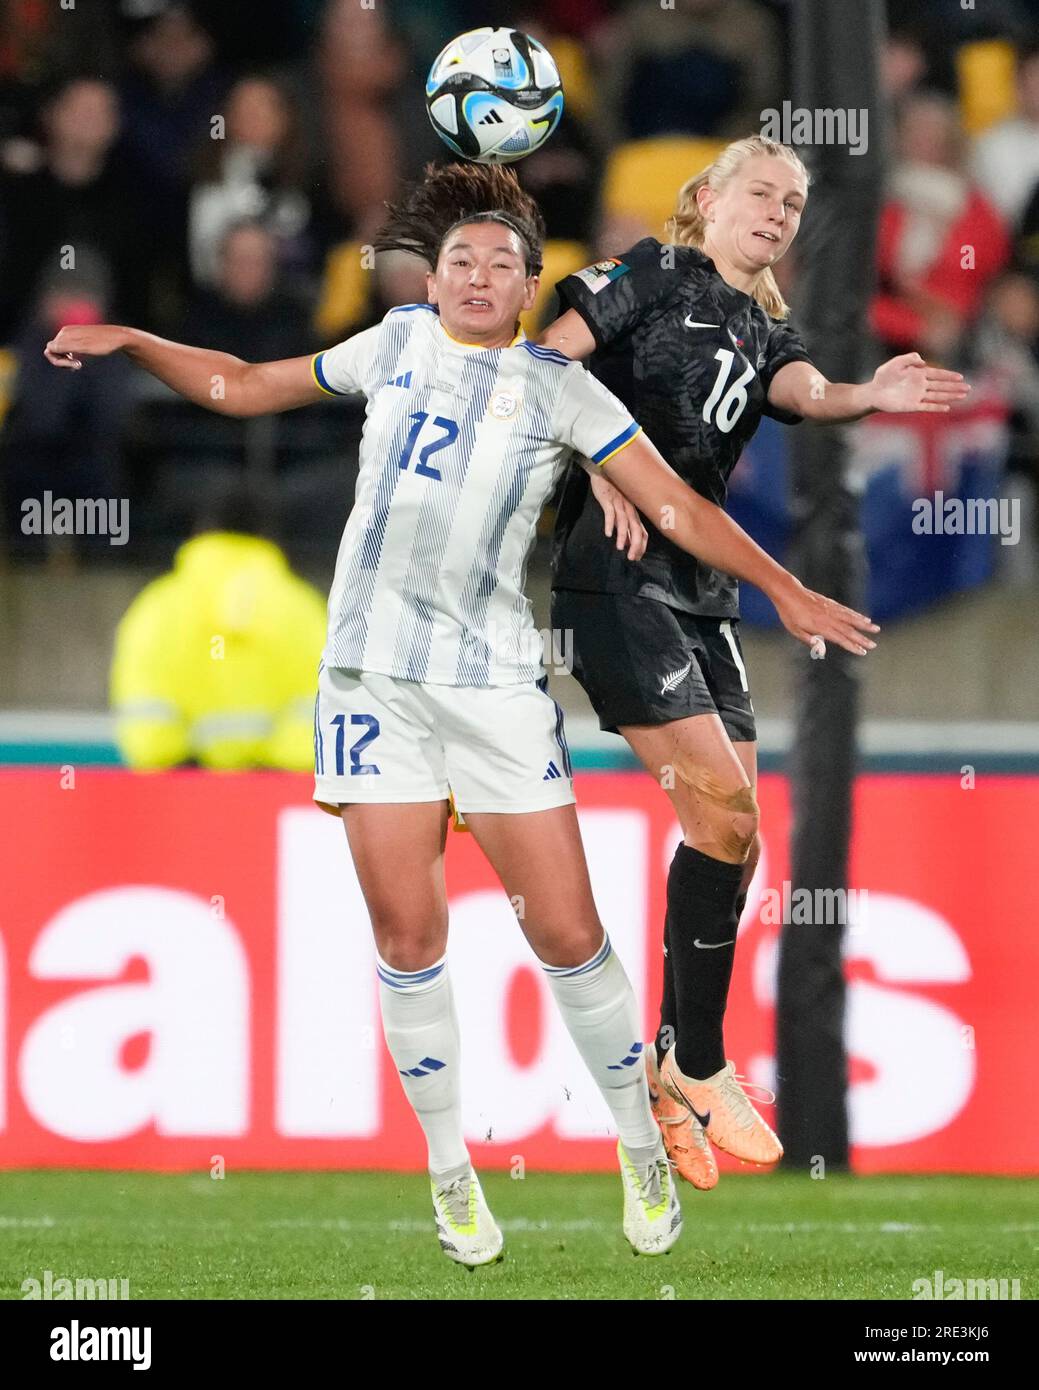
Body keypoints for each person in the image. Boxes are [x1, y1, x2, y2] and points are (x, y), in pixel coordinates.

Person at [44, 162, 878, 1267]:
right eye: (458, 260)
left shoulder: (560, 389)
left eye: (500, 263)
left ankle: (639, 1141)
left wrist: (783, 589)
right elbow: (242, 386)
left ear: (532, 288)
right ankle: (449, 1173)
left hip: (492, 688)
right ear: (430, 280)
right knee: (408, 939)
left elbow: (678, 504)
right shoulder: (391, 343)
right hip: (369, 684)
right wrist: (134, 339)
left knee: (568, 936)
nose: (478, 275)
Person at [539, 135, 970, 1190]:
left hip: (700, 586)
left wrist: (867, 391)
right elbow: (546, 359)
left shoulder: (761, 322)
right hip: (619, 573)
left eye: (793, 204)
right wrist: (601, 464)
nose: (778, 214)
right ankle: (697, 1060)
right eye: (762, 194)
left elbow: (803, 390)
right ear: (708, 198)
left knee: (735, 838)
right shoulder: (651, 273)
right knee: (724, 817)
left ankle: (669, 1060)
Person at [110, 489, 327, 771]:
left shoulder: (157, 607)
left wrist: (184, 767)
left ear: (200, 532)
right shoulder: (302, 608)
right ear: (268, 536)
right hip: (279, 790)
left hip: (178, 790)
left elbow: (144, 718)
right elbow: (322, 707)